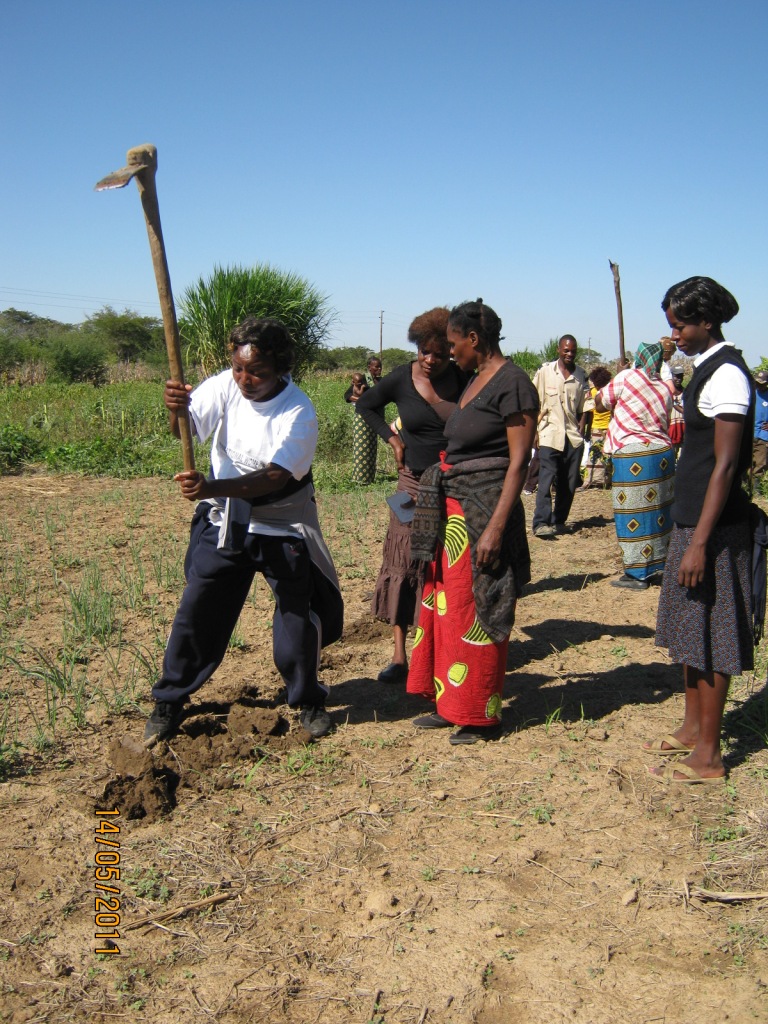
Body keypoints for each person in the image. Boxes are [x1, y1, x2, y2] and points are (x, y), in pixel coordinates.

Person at [144, 318, 344, 745]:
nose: (245, 379)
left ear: (281, 367)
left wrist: (210, 485)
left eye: (257, 372)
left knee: (296, 618)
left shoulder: (298, 411)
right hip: (226, 519)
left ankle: (307, 698)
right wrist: (174, 409)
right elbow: (185, 429)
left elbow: (273, 477)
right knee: (199, 608)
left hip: (283, 522)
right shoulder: (224, 386)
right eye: (238, 368)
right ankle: (169, 700)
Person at [407, 299, 538, 744]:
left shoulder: (514, 383)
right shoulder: (474, 381)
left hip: (485, 514)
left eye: (453, 343)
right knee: (448, 611)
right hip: (456, 514)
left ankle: (482, 714)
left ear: (474, 339)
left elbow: (518, 462)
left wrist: (497, 529)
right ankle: (451, 704)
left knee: (476, 612)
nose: (450, 351)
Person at [647, 277, 754, 784]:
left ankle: (709, 756)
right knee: (691, 632)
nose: (676, 335)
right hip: (693, 522)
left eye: (681, 324)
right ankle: (692, 729)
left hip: (715, 531)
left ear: (707, 321)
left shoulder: (728, 375)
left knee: (712, 637)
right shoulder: (704, 369)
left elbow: (726, 464)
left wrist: (702, 543)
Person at [355, 308, 468, 683]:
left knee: (440, 565)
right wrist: (392, 439)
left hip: (451, 485)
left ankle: (435, 651)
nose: (431, 360)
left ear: (450, 351)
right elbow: (366, 405)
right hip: (409, 485)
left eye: (439, 353)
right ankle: (400, 657)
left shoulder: (465, 378)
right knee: (402, 559)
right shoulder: (402, 378)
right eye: (424, 351)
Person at [595, 342, 675, 590]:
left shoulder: (627, 377)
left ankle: (637, 573)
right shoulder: (664, 388)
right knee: (658, 513)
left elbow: (600, 403)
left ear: (639, 358)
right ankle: (658, 566)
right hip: (662, 454)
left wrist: (618, 378)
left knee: (632, 513)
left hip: (633, 454)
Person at [531, 335, 589, 538]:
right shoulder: (545, 372)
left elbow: (585, 408)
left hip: (572, 437)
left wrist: (582, 427)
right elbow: (533, 402)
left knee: (569, 482)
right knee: (546, 478)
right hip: (549, 433)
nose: (569, 354)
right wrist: (534, 432)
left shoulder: (581, 376)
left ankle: (559, 520)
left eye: (572, 351)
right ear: (558, 350)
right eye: (566, 350)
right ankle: (541, 523)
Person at [345, 356, 383, 485]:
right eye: (376, 366)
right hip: (362, 419)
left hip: (376, 418)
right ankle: (359, 479)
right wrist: (362, 401)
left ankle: (369, 478)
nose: (379, 369)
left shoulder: (382, 381)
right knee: (361, 448)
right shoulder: (361, 379)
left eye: (380, 366)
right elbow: (347, 396)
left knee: (371, 448)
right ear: (369, 367)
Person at [580, 366, 613, 489]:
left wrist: (587, 430)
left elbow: (589, 413)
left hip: (597, 428)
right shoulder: (610, 392)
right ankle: (602, 480)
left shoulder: (594, 392)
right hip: (606, 429)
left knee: (594, 455)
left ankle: (593, 481)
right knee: (604, 455)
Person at [752, 370, 768, 476]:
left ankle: (757, 492)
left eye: (761, 384)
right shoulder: (750, 394)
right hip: (749, 434)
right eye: (757, 383)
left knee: (760, 465)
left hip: (763, 436)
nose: (759, 386)